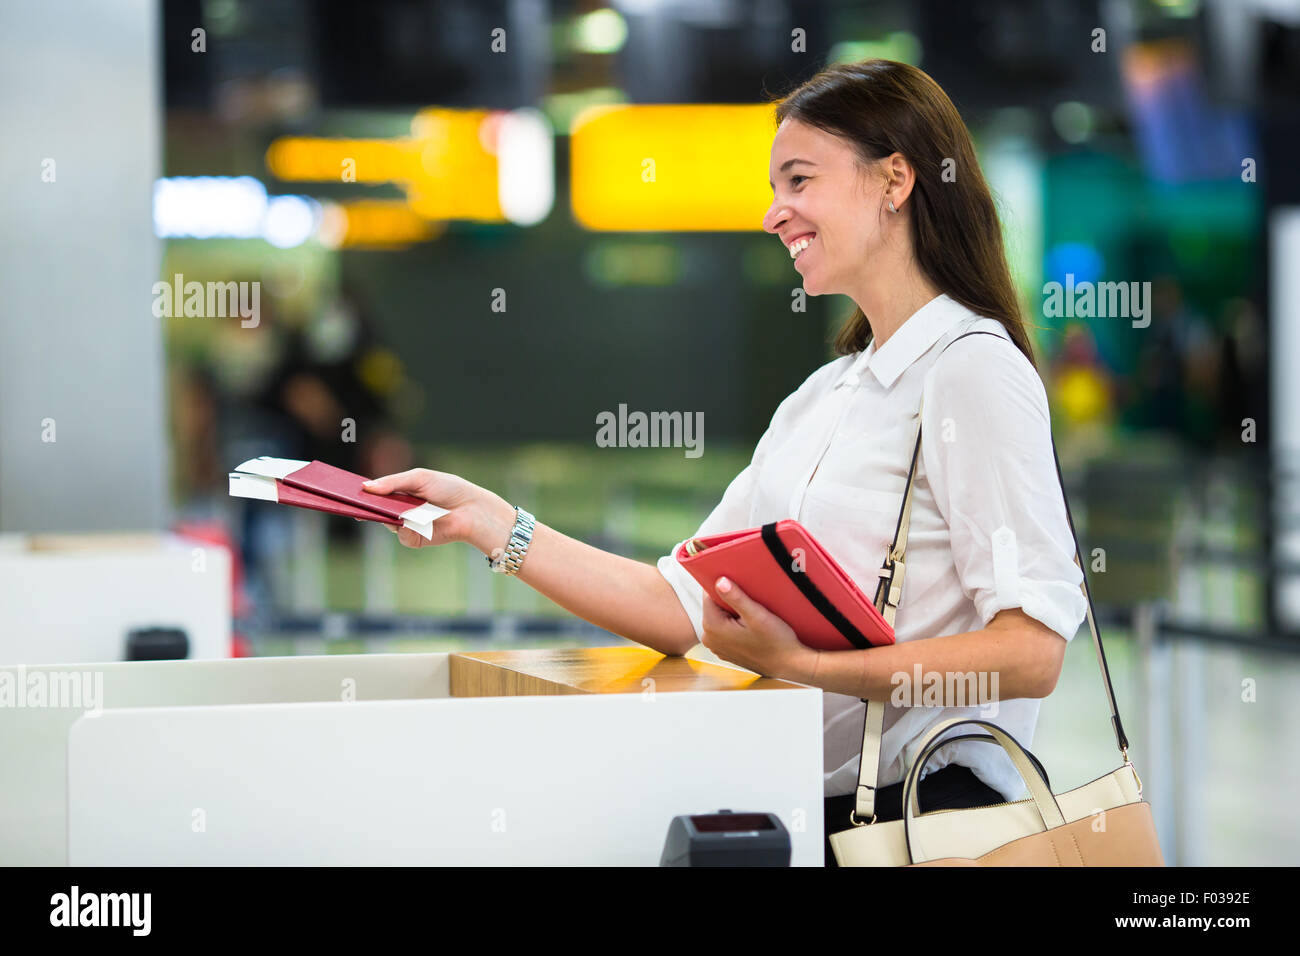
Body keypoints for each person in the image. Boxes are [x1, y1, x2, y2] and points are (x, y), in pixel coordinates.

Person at [362, 59, 1088, 867]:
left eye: (799, 180)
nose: (776, 214)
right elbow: (678, 602)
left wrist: (807, 666)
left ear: (894, 179)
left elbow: (1031, 652)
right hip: (817, 817)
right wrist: (497, 524)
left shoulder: (972, 369)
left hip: (931, 827)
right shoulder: (825, 395)